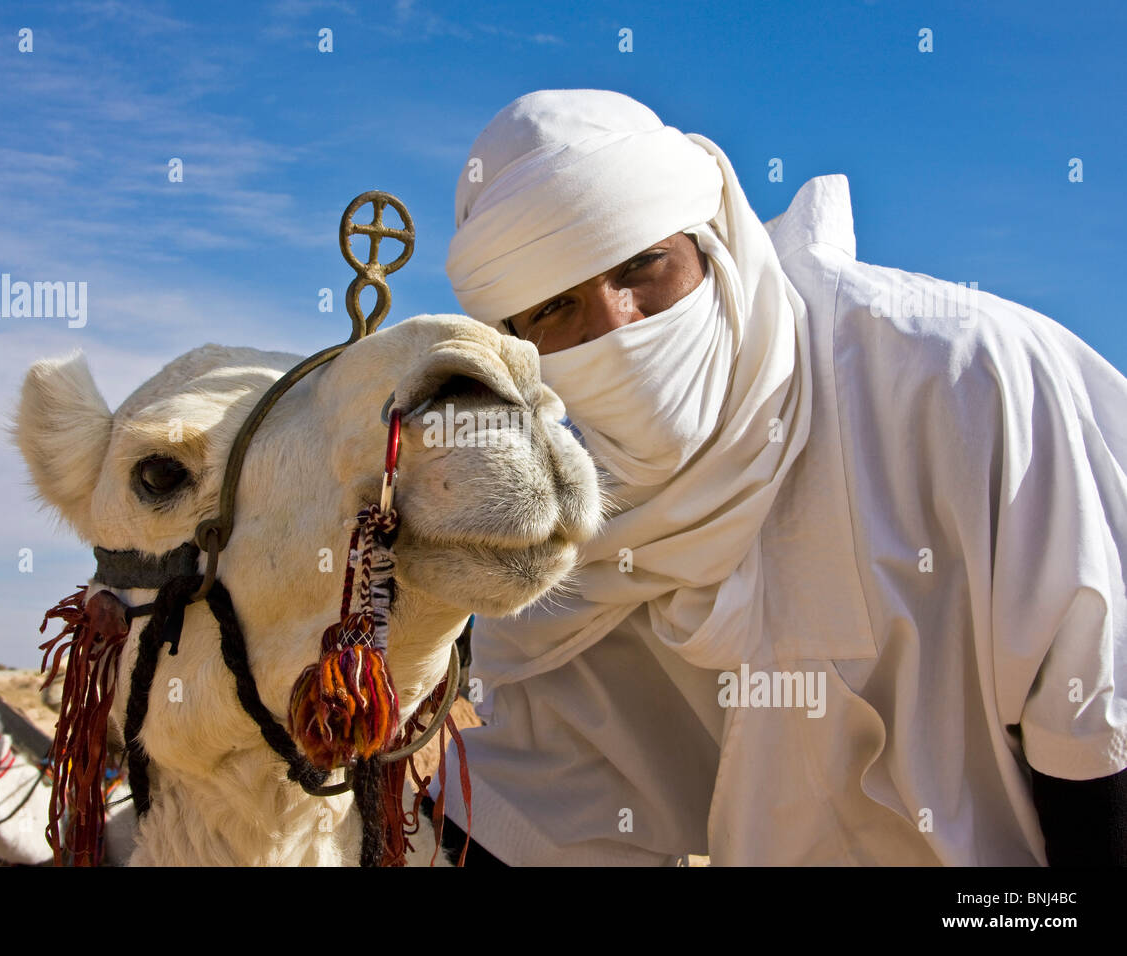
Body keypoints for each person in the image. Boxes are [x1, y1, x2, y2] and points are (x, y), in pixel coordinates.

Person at [423, 89, 1127, 866]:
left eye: (642, 264)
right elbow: (542, 809)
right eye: (557, 305)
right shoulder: (583, 540)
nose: (619, 324)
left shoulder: (956, 383)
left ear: (712, 243)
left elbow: (1097, 740)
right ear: (520, 343)